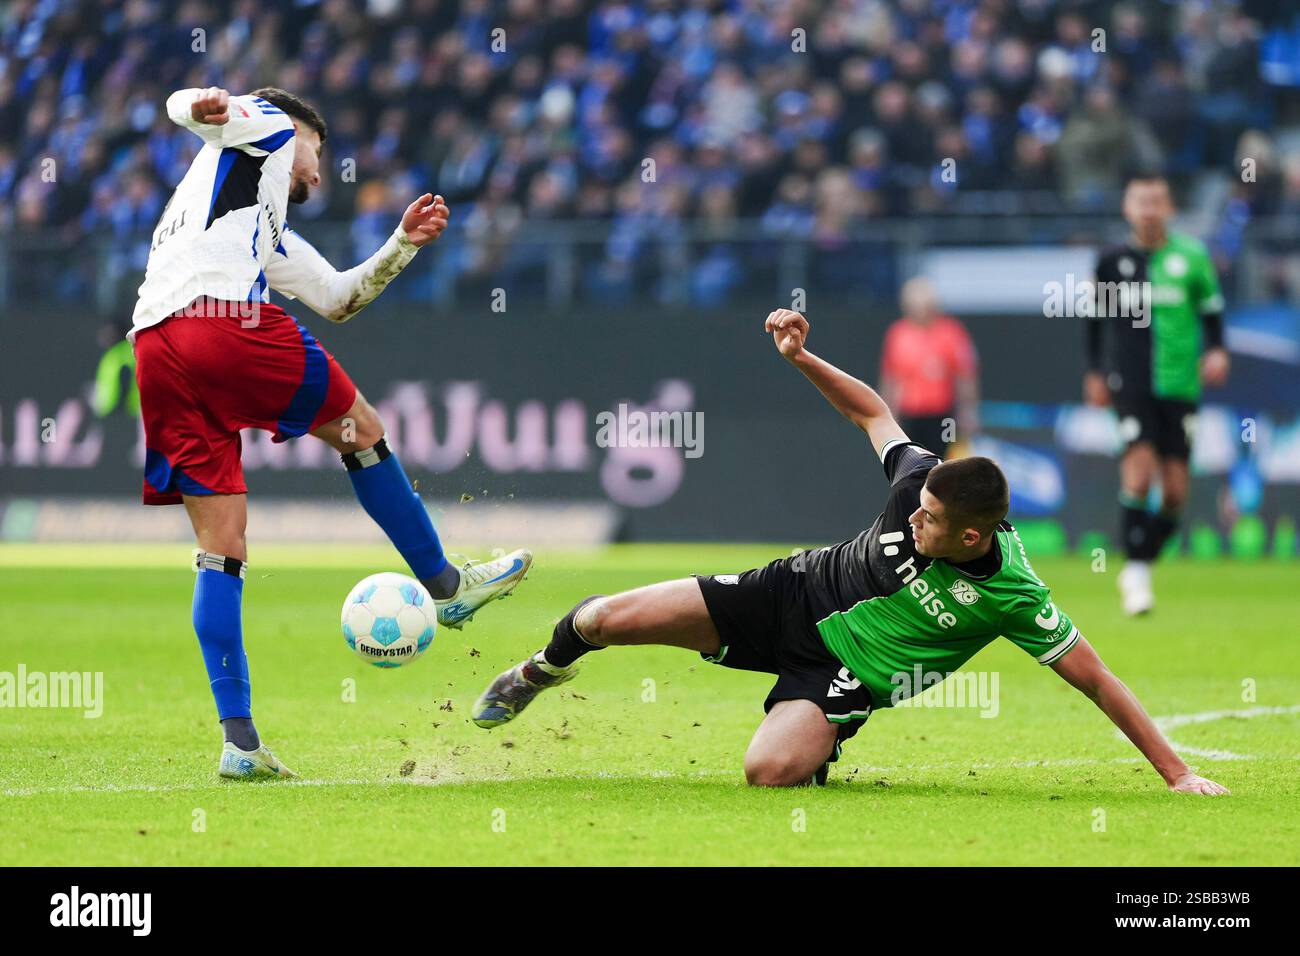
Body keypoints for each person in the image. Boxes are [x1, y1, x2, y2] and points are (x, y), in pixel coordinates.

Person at [470, 309, 1229, 797]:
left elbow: (1097, 680)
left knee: (766, 774)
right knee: (602, 618)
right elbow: (873, 409)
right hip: (789, 593)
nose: (914, 518)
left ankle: (822, 741)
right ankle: (535, 672)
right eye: (919, 507)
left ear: (974, 537)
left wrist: (1179, 775)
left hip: (842, 673)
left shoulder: (1013, 595)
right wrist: (803, 358)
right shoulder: (920, 477)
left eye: (930, 520)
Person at [132, 87, 531, 780]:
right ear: (300, 134)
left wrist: (401, 245)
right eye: (322, 152)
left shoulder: (247, 217)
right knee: (364, 430)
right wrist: (202, 102)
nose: (320, 170)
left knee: (220, 547)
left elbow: (338, 298)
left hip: (156, 347)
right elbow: (194, 108)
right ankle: (444, 582)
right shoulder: (271, 130)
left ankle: (240, 743)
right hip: (225, 324)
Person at [1084, 173, 1229, 615]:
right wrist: (1094, 372)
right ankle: (1138, 573)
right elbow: (1094, 320)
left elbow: (1211, 312)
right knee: (1139, 472)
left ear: (1169, 209)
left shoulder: (1192, 257)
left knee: (1175, 494)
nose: (1148, 210)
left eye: (1156, 202)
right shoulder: (1111, 260)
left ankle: (1140, 561)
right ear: (1128, 209)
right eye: (1140, 202)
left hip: (1181, 384)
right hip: (1130, 382)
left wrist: (1218, 351)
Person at [880, 277, 980, 457]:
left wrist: (968, 411)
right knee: (911, 466)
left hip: (942, 416)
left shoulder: (951, 332)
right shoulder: (898, 334)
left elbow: (965, 375)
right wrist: (889, 416)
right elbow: (891, 379)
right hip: (909, 414)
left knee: (942, 464)